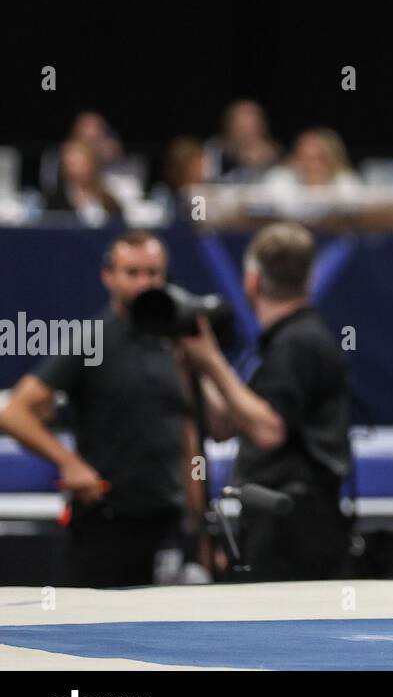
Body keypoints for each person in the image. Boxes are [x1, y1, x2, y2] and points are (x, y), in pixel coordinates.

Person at [0, 231, 203, 586]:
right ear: (109, 276)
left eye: (153, 273)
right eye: (133, 272)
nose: (145, 282)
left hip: (166, 522)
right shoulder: (92, 339)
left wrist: (197, 521)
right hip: (107, 523)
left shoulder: (174, 341)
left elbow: (187, 428)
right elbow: (15, 412)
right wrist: (69, 462)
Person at [179, 221, 353, 581]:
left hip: (294, 529)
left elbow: (267, 430)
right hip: (276, 521)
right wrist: (198, 365)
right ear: (306, 279)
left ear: (252, 281)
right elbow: (226, 425)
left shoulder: (298, 343)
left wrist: (212, 362)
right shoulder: (285, 342)